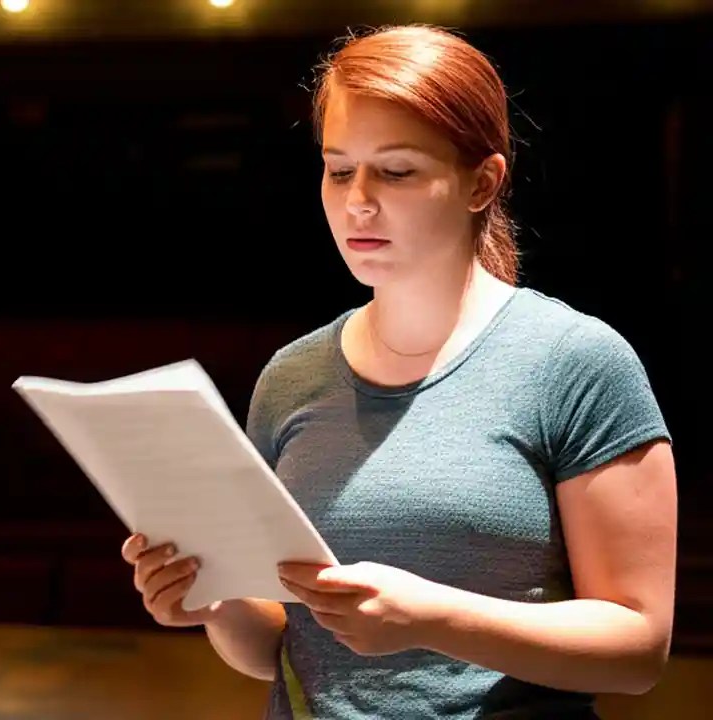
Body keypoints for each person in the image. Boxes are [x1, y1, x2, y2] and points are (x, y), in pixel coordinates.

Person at [120, 24, 676, 719]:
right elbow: (281, 651)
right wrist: (214, 599)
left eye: (397, 170)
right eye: (338, 167)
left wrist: (430, 618)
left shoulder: (574, 362)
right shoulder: (292, 377)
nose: (358, 201)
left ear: (483, 182)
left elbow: (639, 646)